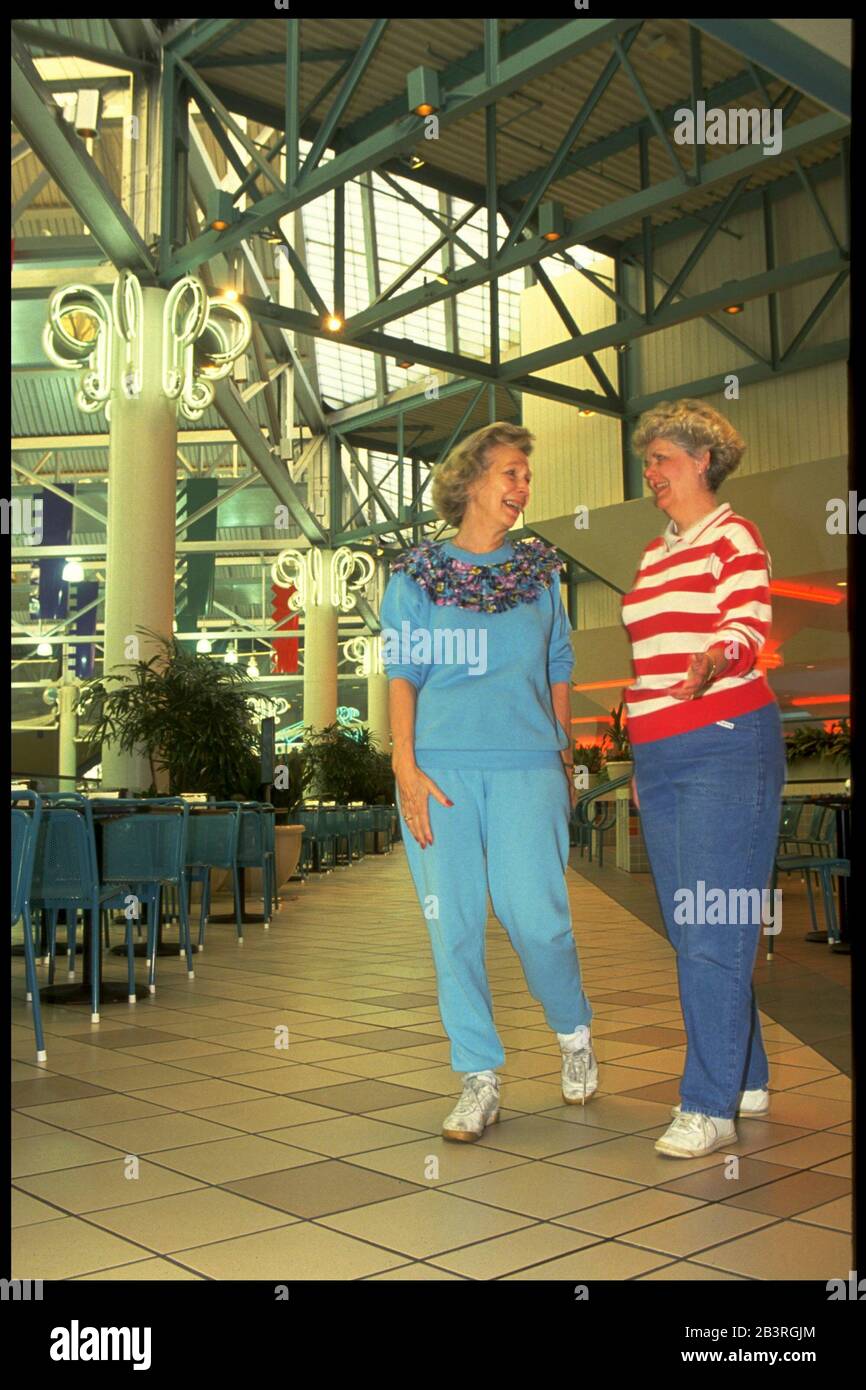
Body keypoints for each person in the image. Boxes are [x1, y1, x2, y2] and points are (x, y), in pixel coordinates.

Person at [379, 422, 596, 1142]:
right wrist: (405, 766)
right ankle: (478, 1075)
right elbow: (402, 673)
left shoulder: (540, 570)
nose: (522, 486)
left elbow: (558, 662)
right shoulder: (414, 575)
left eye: (526, 475)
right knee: (455, 926)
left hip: (528, 764)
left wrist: (565, 758)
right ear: (470, 480)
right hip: (440, 769)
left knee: (537, 917)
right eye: (510, 472)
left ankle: (573, 1034)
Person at [622, 399, 784, 1159]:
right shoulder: (655, 556)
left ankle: (708, 1103)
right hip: (660, 754)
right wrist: (637, 755)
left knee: (714, 924)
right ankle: (745, 1072)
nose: (649, 472)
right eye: (647, 460)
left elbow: (747, 624)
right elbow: (642, 665)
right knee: (694, 926)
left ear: (701, 461)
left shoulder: (734, 536)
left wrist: (715, 659)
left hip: (725, 742)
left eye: (660, 459)